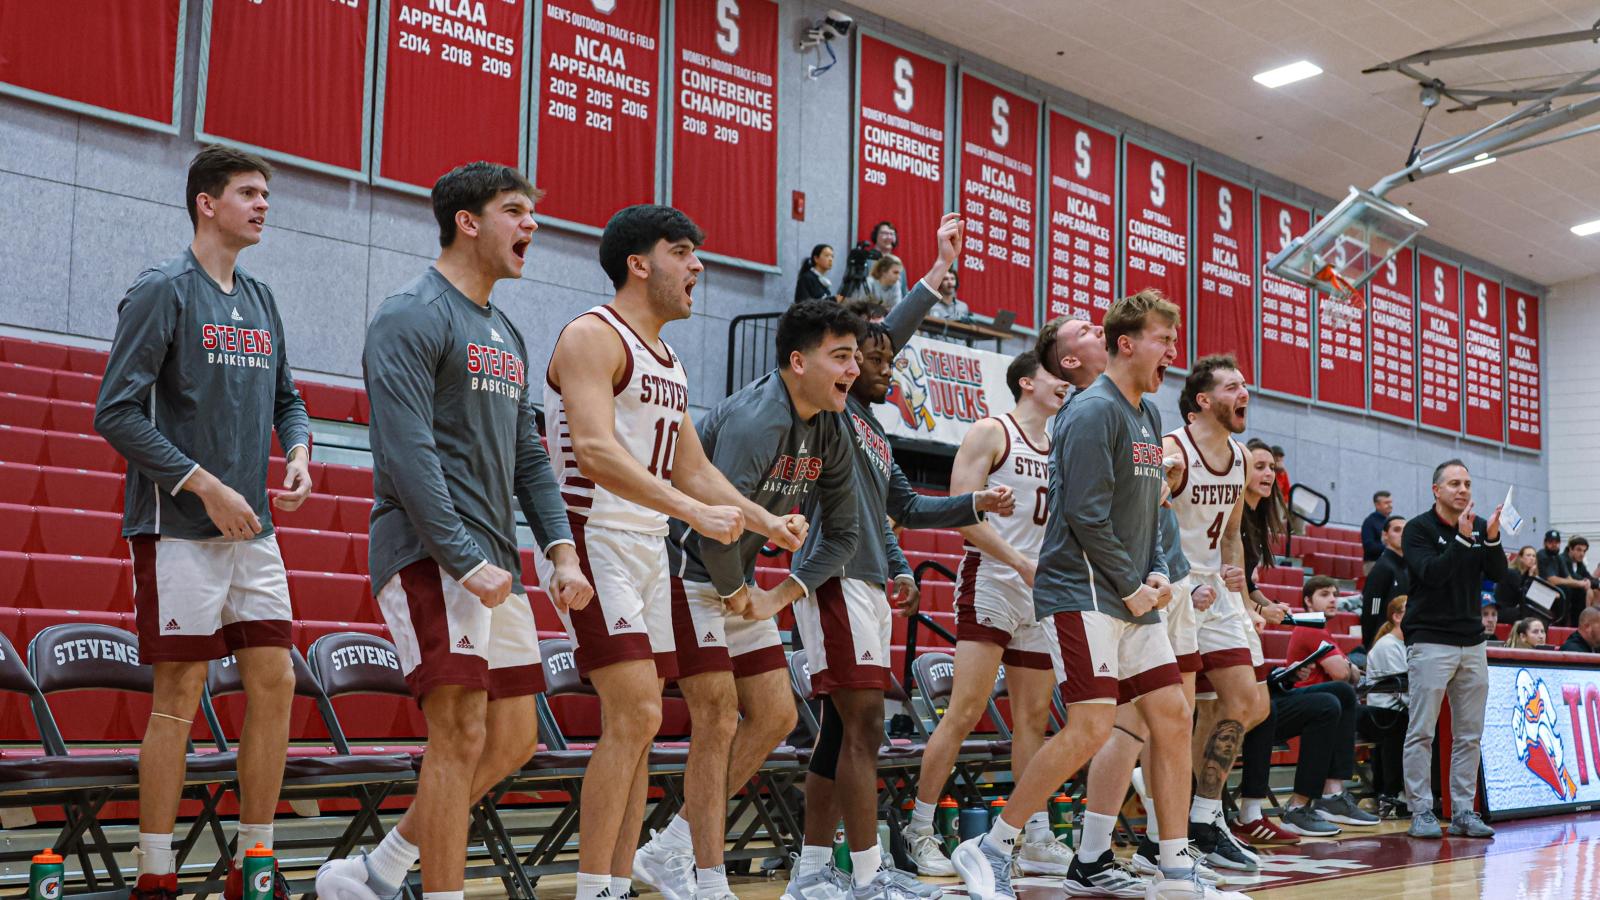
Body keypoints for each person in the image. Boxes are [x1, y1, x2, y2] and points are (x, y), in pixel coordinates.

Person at [314, 162, 596, 900]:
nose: (531, 224)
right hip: (428, 554)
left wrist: (559, 549)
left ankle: (380, 870)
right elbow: (407, 456)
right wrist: (466, 559)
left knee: (511, 740)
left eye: (531, 211)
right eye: (515, 210)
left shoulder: (504, 330)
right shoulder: (409, 313)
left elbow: (531, 456)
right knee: (460, 733)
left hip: (491, 556)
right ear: (467, 222)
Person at [545, 204, 800, 900]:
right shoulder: (591, 335)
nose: (697, 268)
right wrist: (692, 511)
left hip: (647, 547)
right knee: (635, 712)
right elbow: (595, 451)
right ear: (639, 262)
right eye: (683, 252)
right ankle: (594, 886)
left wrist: (759, 521)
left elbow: (694, 467)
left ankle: (615, 881)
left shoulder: (668, 358)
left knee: (645, 721)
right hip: (592, 536)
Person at [953, 291, 1236, 900]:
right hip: (1080, 592)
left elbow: (1151, 508)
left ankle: (1176, 864)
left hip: (1133, 596)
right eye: (1164, 337)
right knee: (1089, 727)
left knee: (1172, 714)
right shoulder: (1089, 412)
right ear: (1127, 344)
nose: (1172, 351)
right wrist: (1132, 584)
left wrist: (1161, 570)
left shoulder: (1148, 416)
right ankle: (992, 845)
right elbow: (1083, 514)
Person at [94, 146, 309, 900]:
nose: (262, 205)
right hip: (177, 525)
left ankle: (254, 861)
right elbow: (114, 411)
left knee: (275, 680)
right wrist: (203, 483)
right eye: (248, 193)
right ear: (205, 203)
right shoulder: (161, 291)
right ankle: (156, 872)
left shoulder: (263, 297)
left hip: (253, 533)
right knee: (179, 694)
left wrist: (302, 452)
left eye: (265, 194)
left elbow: (289, 396)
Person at [783, 212, 1010, 900]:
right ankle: (870, 874)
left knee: (837, 736)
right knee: (867, 725)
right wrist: (937, 276)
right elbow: (884, 333)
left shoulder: (873, 430)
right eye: (868, 358)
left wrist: (974, 508)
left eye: (881, 360)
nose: (884, 366)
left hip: (868, 581)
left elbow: (905, 509)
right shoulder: (833, 407)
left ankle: (813, 871)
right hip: (833, 579)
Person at [628, 300, 862, 900]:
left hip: (738, 579)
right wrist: (739, 593)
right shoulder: (759, 418)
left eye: (856, 356)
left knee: (778, 715)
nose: (854, 368)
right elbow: (717, 520)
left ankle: (672, 846)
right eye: (840, 356)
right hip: (686, 568)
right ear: (796, 361)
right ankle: (708, 881)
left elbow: (845, 533)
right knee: (717, 716)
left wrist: (778, 595)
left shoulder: (832, 425)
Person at [899, 350, 1070, 879]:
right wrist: (1018, 561)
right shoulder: (991, 432)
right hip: (993, 580)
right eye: (1054, 376)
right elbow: (959, 512)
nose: (1064, 384)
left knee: (1033, 722)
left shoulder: (1061, 445)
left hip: (1038, 591)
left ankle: (1034, 834)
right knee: (966, 710)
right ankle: (919, 829)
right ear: (1026, 380)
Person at [1401, 458, 1505, 841]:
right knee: (1422, 731)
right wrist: (1463, 540)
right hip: (1430, 640)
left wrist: (1490, 537)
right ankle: (1421, 810)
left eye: (1467, 484)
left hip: (1473, 642)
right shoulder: (1417, 529)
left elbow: (1497, 574)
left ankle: (1463, 810)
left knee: (1469, 735)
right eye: (1455, 484)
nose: (1463, 490)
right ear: (1437, 490)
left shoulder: (1477, 527)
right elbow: (1432, 573)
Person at [1282, 577, 1381, 828]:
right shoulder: (1309, 627)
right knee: (1384, 719)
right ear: (1307, 600)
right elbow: (1342, 673)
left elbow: (1349, 672)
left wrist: (1349, 668)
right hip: (1309, 707)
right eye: (1324, 594)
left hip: (1327, 705)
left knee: (1374, 712)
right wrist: (1350, 667)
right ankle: (1384, 790)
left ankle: (1334, 794)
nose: (1333, 599)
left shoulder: (1321, 630)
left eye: (1334, 594)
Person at [1361, 595, 1411, 818]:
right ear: (1397, 616)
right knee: (1407, 722)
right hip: (1383, 713)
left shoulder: (1404, 644)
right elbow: (1401, 689)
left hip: (1396, 710)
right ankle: (1393, 793)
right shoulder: (1388, 646)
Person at [1361, 515, 1409, 647]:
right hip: (1383, 642)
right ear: (1385, 535)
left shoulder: (1409, 568)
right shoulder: (1382, 568)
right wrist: (1371, 644)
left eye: (1405, 530)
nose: (1402, 534)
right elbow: (1371, 611)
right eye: (1397, 530)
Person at [1560, 537, 1600, 625]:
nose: (1582, 554)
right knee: (1585, 591)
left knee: (1596, 591)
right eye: (1579, 550)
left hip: (1575, 593)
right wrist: (1586, 582)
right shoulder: (1562, 560)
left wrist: (1594, 583)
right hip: (1563, 592)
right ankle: (1583, 623)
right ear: (1570, 548)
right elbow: (1571, 576)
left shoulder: (1579, 563)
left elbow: (1589, 578)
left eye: (1584, 551)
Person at [1495, 546, 1538, 621]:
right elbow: (1524, 597)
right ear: (1520, 558)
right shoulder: (1512, 573)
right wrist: (1531, 577)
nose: (1532, 558)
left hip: (1513, 610)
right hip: (1501, 610)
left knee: (1540, 611)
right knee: (1531, 613)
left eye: (1534, 556)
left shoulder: (1526, 576)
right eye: (1528, 555)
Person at [1362, 491, 1394, 574]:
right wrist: (1391, 547)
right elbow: (1369, 547)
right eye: (1386, 503)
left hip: (1391, 562)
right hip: (1374, 563)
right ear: (1377, 505)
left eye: (1390, 502)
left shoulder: (1392, 521)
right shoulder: (1369, 522)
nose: (1390, 505)